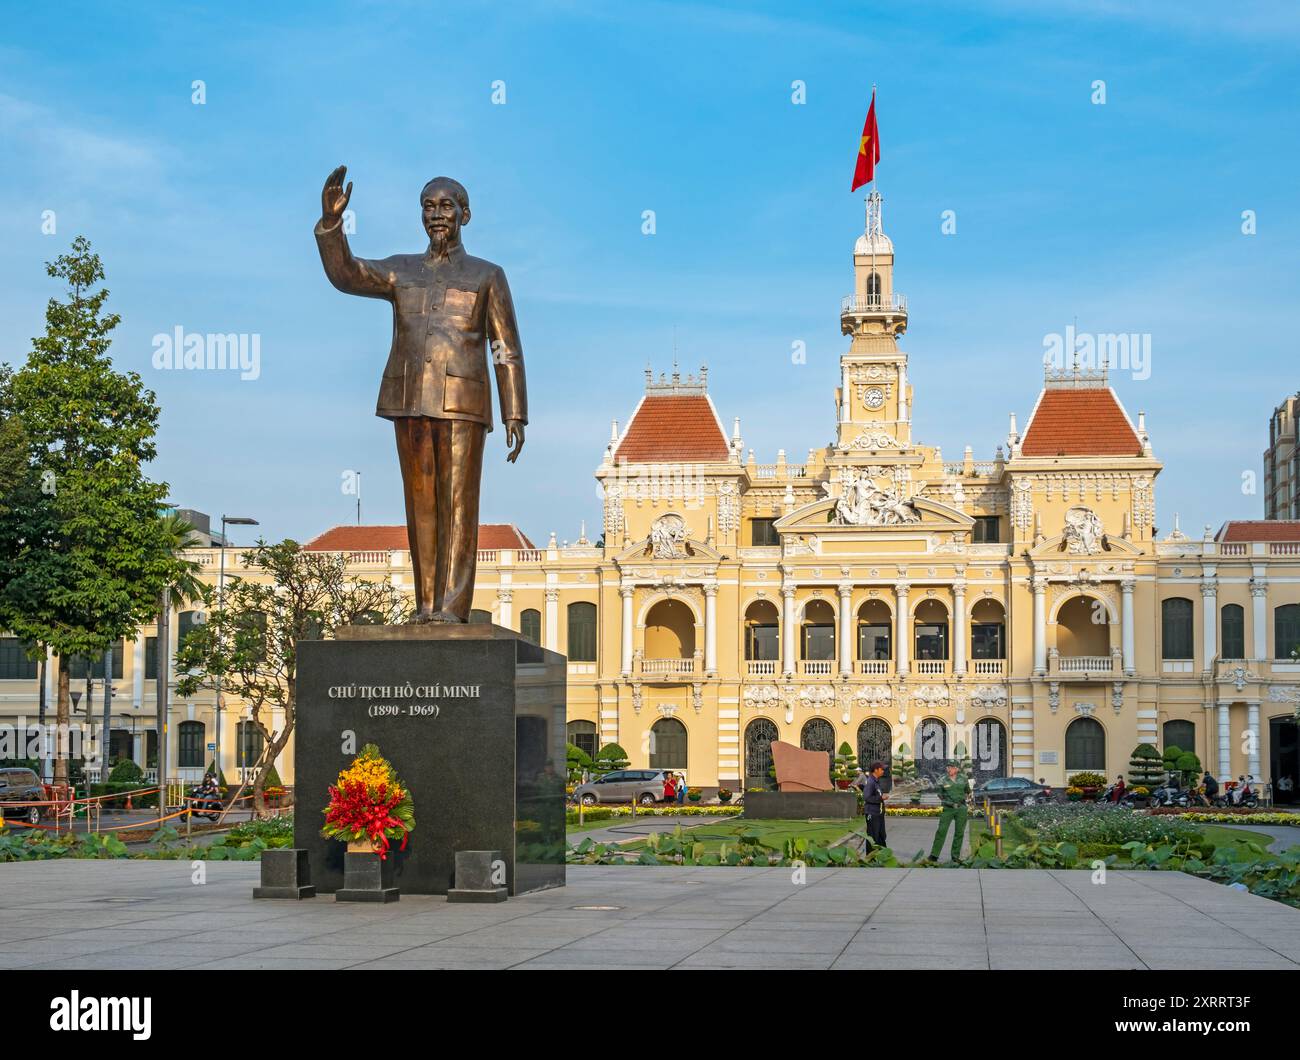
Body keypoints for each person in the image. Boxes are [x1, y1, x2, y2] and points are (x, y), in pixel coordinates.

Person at [928, 763, 969, 862]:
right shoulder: (942, 780)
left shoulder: (963, 779)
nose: (948, 769)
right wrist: (947, 801)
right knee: (941, 831)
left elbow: (967, 791)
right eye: (948, 767)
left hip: (961, 808)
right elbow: (939, 794)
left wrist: (963, 799)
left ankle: (955, 857)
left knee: (959, 833)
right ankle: (934, 855)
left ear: (957, 769)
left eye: (951, 767)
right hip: (948, 809)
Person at [856, 761, 888, 848]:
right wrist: (881, 798)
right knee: (873, 838)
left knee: (881, 836)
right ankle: (871, 859)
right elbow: (867, 797)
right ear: (876, 770)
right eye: (881, 769)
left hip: (878, 814)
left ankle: (882, 857)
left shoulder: (876, 781)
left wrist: (881, 797)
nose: (883, 771)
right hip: (872, 814)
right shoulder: (870, 782)